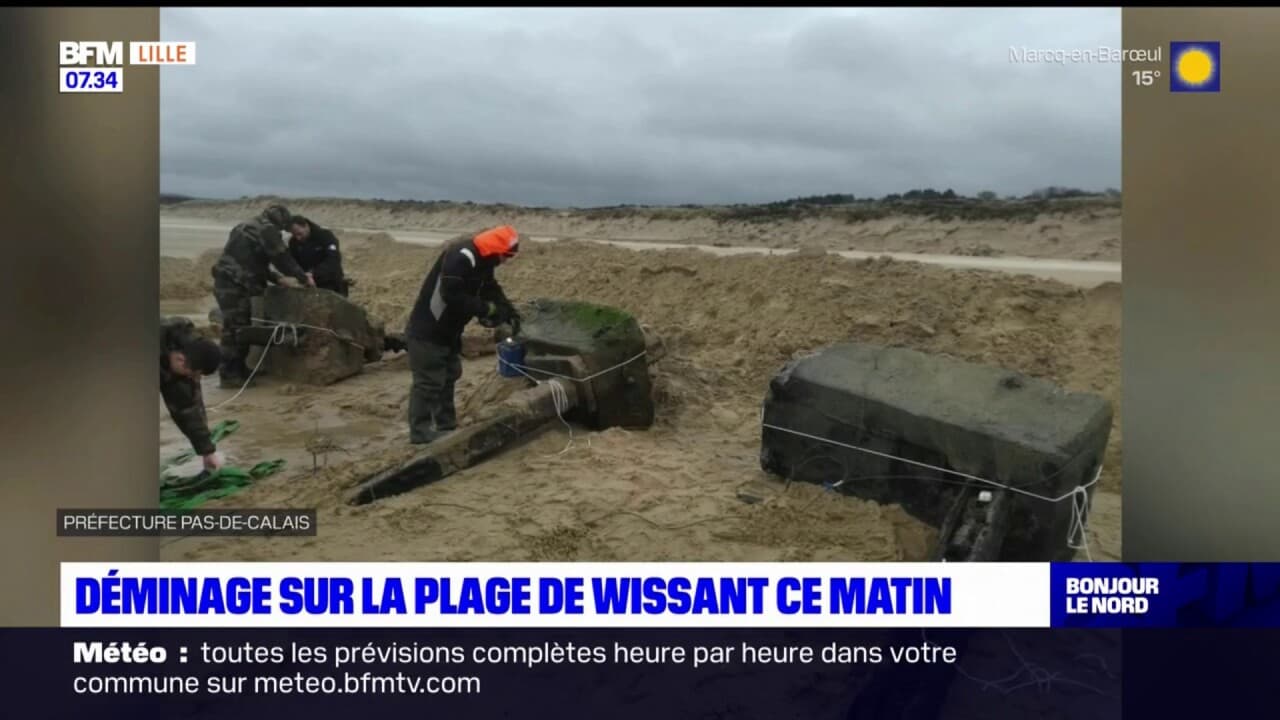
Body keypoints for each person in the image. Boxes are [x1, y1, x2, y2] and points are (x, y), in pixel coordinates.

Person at [403, 225, 522, 444]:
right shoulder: (461, 257)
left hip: (450, 331)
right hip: (429, 330)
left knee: (450, 375)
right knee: (429, 382)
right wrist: (485, 309)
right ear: (496, 249)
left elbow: (489, 287)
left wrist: (509, 311)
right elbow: (451, 295)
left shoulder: (483, 263)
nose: (506, 261)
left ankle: (446, 424)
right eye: (506, 256)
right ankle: (420, 432)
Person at [210, 204, 314, 388]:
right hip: (233, 285)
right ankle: (229, 375)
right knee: (235, 330)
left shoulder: (246, 225)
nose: (282, 231)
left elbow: (253, 262)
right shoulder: (267, 230)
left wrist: (277, 279)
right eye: (283, 227)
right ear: (280, 221)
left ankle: (239, 369)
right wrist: (303, 278)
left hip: (228, 281)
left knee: (240, 327)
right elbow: (282, 258)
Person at [160, 316, 225, 472]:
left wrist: (207, 451)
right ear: (180, 359)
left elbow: (187, 407)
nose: (192, 378)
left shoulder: (184, 356)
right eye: (193, 374)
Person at [287, 215, 350, 296]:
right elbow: (293, 262)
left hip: (332, 282)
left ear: (306, 226)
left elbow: (334, 259)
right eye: (294, 235)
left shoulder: (325, 236)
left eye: (299, 234)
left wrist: (313, 273)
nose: (298, 238)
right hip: (309, 284)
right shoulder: (293, 243)